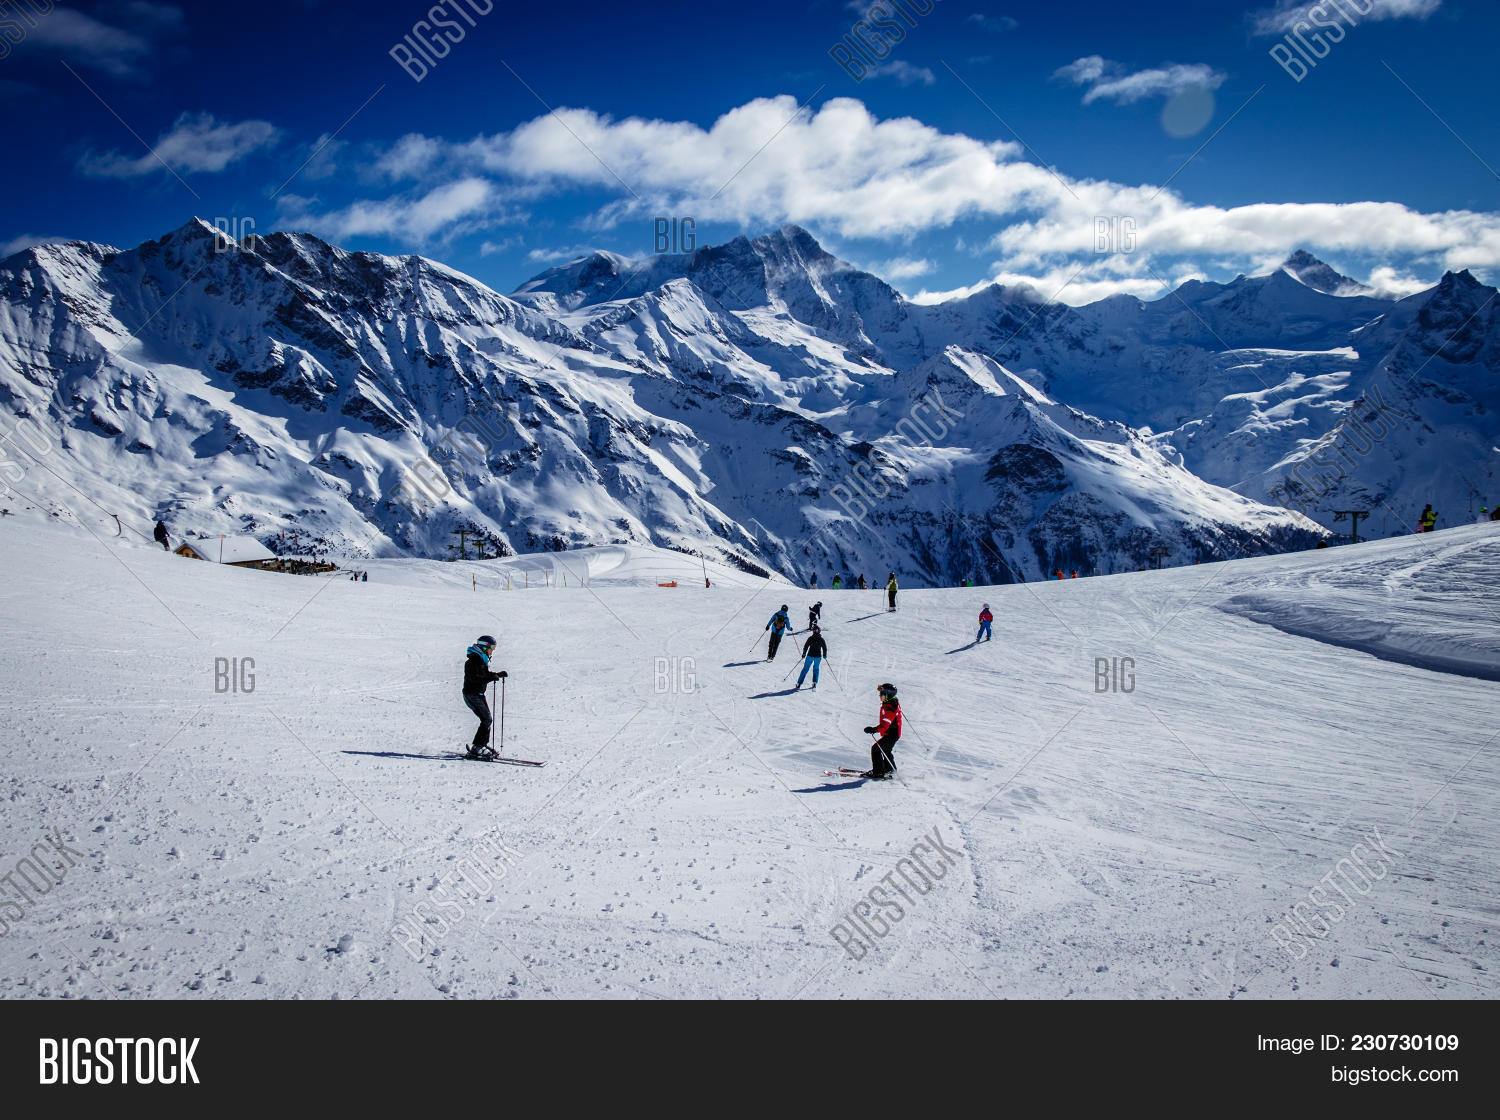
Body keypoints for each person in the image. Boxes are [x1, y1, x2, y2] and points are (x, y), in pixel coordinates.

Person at [461, 634, 507, 759]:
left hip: (478, 694)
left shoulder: (480, 659)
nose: (493, 650)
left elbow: (483, 675)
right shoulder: (473, 661)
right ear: (485, 647)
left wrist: (497, 675)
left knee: (487, 720)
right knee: (486, 719)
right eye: (492, 647)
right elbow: (477, 678)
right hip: (472, 695)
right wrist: (492, 677)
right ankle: (477, 747)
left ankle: (480, 745)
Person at [862, 683, 902, 780]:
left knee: (876, 749)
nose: (880, 696)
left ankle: (879, 772)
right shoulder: (890, 703)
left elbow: (885, 725)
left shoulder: (890, 708)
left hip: (892, 734)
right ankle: (889, 769)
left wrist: (874, 729)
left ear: (888, 695)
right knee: (885, 750)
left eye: (882, 693)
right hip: (892, 733)